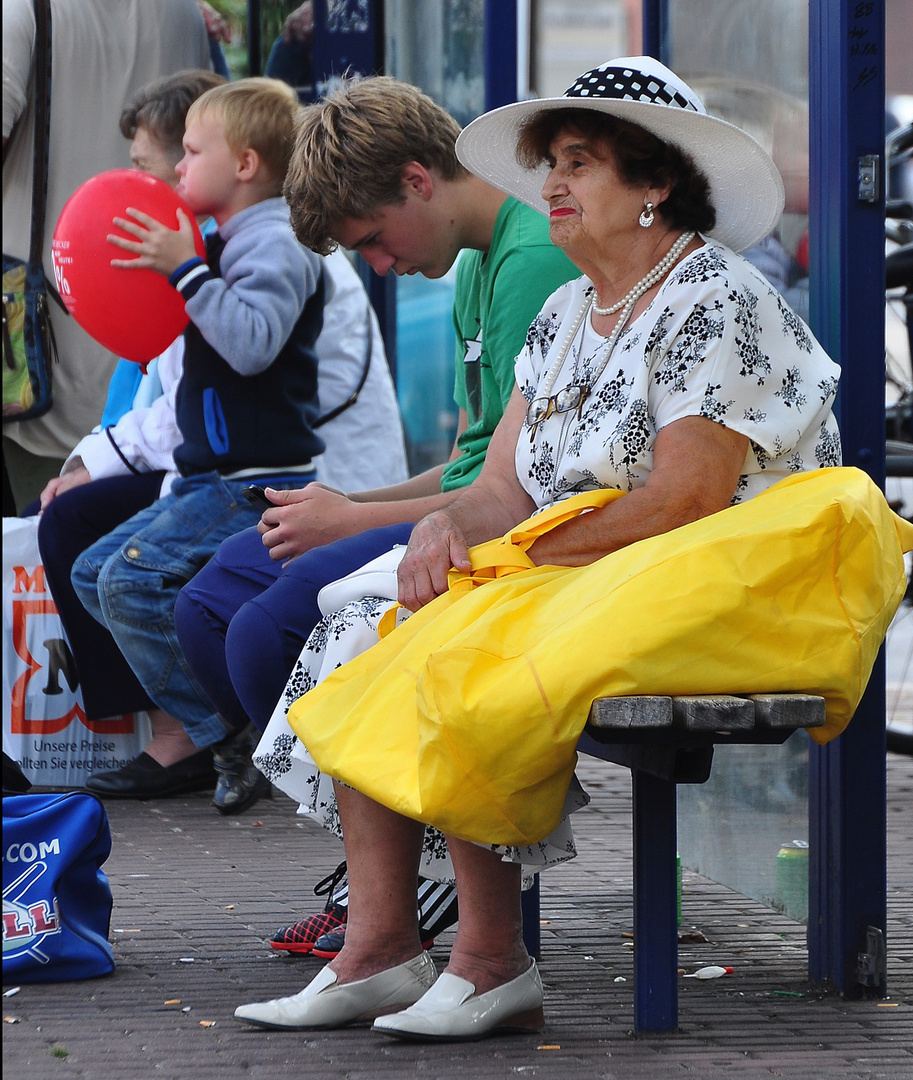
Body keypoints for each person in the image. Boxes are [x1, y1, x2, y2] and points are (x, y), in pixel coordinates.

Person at [234, 55, 843, 1039]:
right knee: (370, 623)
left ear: (656, 185)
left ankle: (489, 958)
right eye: (550, 162)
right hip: (606, 579)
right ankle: (383, 948)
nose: (551, 185)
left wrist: (507, 557)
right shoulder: (567, 314)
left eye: (582, 163)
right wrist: (445, 526)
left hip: (718, 591)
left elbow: (686, 503)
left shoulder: (716, 300)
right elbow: (502, 488)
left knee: (468, 637)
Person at [165, 74, 577, 942]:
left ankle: (418, 871)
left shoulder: (532, 257)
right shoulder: (476, 261)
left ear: (420, 181)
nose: (382, 267)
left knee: (264, 631)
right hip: (475, 509)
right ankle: (394, 861)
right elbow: (474, 459)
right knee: (211, 605)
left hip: (518, 537)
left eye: (376, 241)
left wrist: (349, 521)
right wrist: (350, 504)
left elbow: (518, 490)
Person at [35, 69, 405, 805]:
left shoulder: (277, 244)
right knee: (91, 571)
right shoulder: (224, 242)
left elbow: (251, 345)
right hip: (211, 474)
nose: (176, 168)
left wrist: (187, 271)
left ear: (244, 166)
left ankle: (232, 733)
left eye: (191, 152)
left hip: (251, 479)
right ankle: (223, 731)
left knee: (127, 578)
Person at [2, 0, 212, 515]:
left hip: (41, 346)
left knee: (39, 543)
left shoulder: (23, 12)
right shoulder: (184, 12)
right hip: (161, 340)